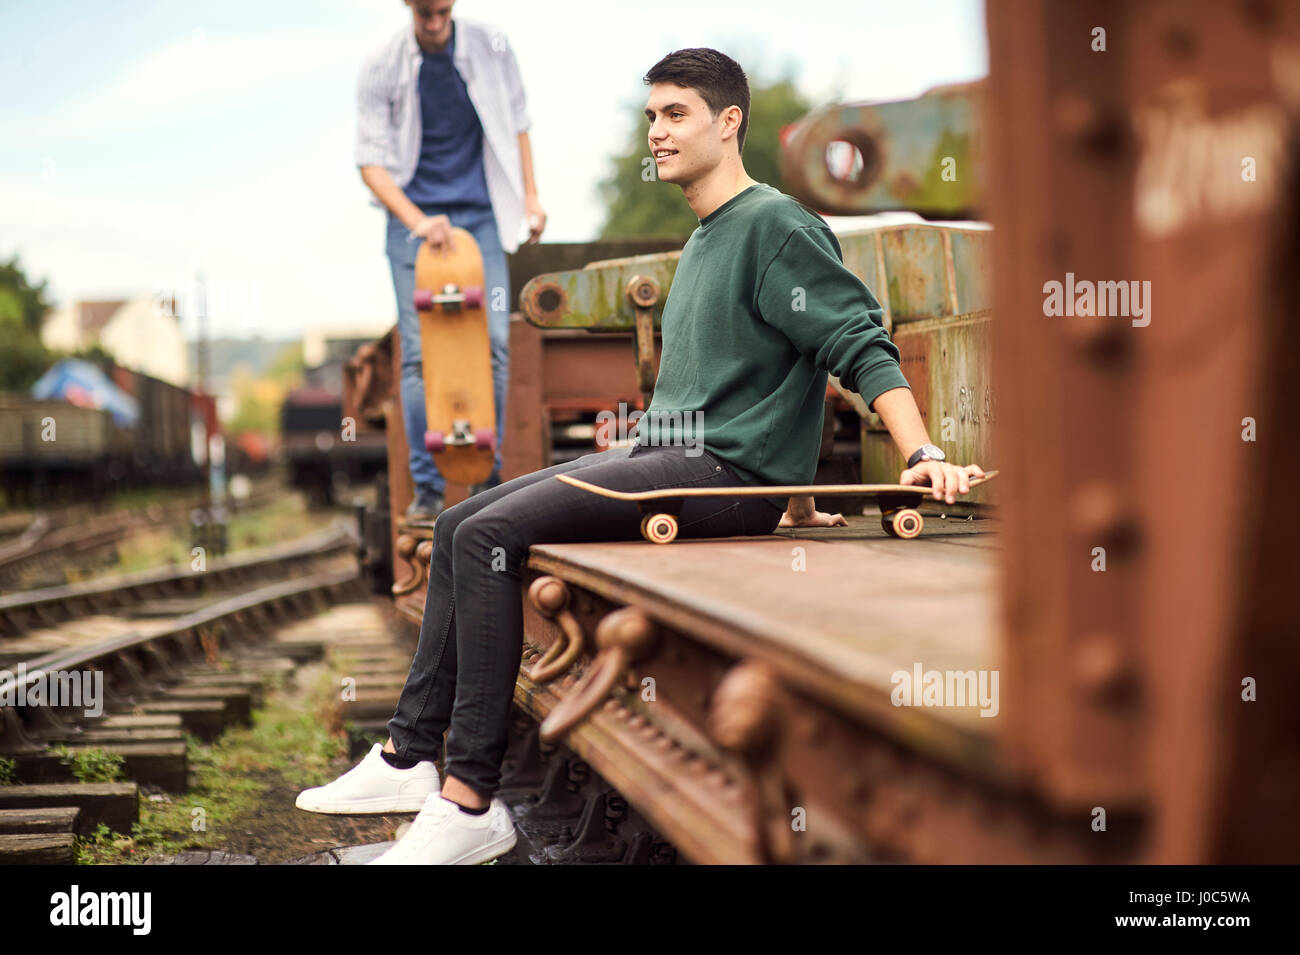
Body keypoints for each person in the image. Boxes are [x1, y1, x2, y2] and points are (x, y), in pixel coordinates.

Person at [298, 47, 985, 865]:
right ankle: (409, 757)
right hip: (674, 454)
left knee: (489, 539)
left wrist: (921, 450)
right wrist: (804, 499)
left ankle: (469, 798)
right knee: (459, 521)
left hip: (720, 475)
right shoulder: (702, 239)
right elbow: (774, 375)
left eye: (676, 114)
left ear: (730, 124)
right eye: (651, 116)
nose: (655, 132)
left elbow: (855, 345)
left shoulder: (775, 223)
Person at [355, 0, 546, 520]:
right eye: (424, 13)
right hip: (410, 219)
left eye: (441, 10)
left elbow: (520, 121)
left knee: (494, 342)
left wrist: (529, 197)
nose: (434, 21)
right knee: (419, 353)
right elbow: (370, 163)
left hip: (480, 215)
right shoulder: (382, 64)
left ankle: (485, 479)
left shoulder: (491, 46)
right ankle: (427, 490)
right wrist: (418, 222)